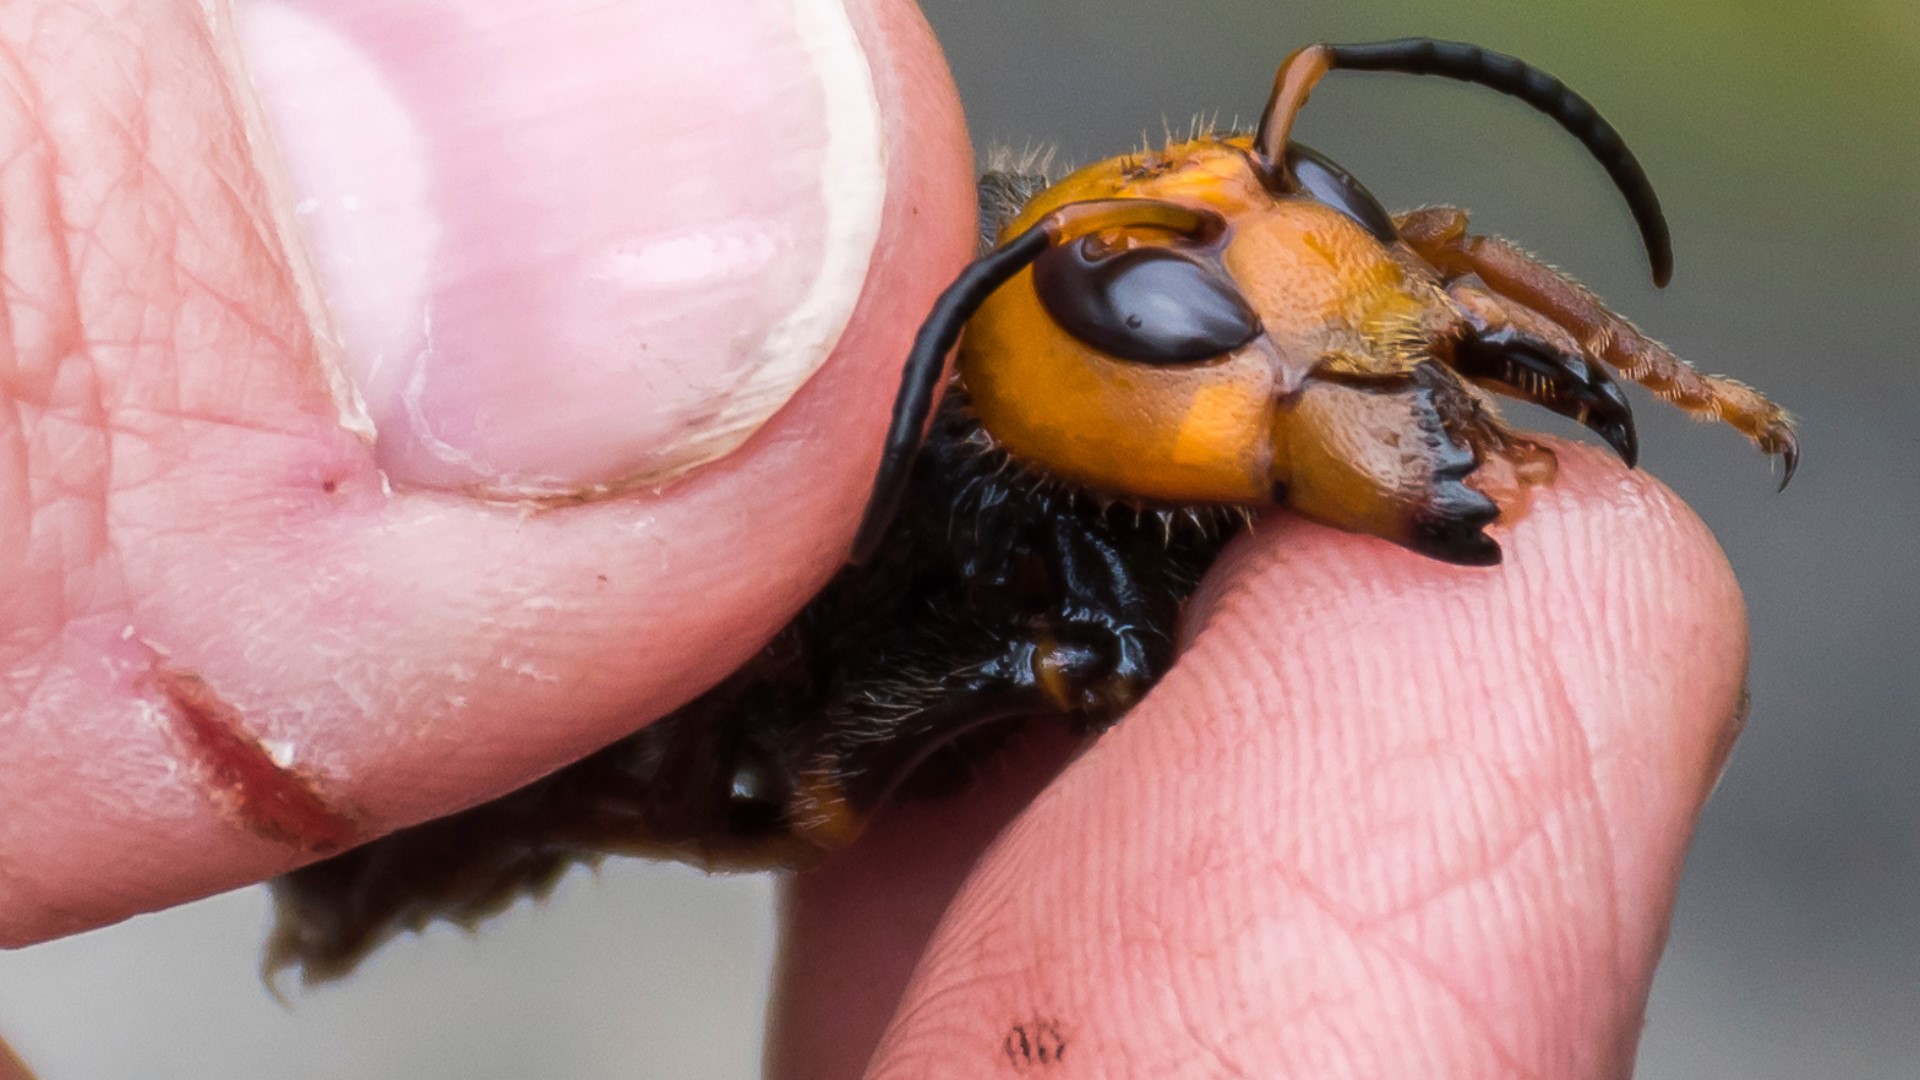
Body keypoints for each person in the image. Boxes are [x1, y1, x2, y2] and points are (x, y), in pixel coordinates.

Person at [0, 1, 1748, 1076]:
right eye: (1168, 303)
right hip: (572, 752)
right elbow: (828, 767)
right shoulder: (946, 476)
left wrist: (1634, 362)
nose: (1326, 287)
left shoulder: (1200, 377)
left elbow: (1415, 244)